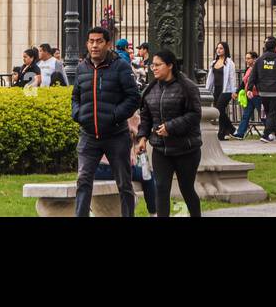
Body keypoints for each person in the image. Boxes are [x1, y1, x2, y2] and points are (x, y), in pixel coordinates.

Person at [71, 26, 140, 218]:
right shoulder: (81, 67)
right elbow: (75, 97)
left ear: (108, 44)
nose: (94, 45)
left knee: (124, 184)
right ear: (87, 44)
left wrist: (114, 115)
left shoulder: (121, 66)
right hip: (88, 136)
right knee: (83, 181)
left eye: (99, 41)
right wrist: (78, 114)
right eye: (91, 41)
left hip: (116, 135)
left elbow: (133, 97)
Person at [137, 48, 203, 218]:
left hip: (186, 149)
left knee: (187, 189)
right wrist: (142, 137)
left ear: (170, 66)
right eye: (153, 66)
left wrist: (170, 127)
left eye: (158, 65)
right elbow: (146, 117)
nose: (154, 69)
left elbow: (194, 115)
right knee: (161, 188)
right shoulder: (150, 89)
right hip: (161, 149)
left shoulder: (187, 87)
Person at [249, 37, 276, 140]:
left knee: (269, 113)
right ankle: (266, 135)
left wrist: (250, 89)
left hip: (263, 91)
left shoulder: (259, 60)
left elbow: (253, 76)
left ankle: (275, 133)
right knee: (272, 114)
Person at [205, 40, 237, 139]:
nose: (218, 50)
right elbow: (210, 78)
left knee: (219, 109)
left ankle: (226, 130)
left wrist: (233, 91)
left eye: (221, 48)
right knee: (219, 111)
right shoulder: (213, 62)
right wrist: (207, 90)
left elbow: (232, 77)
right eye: (217, 48)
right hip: (216, 90)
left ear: (225, 50)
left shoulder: (229, 62)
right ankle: (227, 130)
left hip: (226, 90)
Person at [233, 52, 261, 138]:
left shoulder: (258, 69)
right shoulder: (248, 69)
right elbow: (243, 83)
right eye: (246, 58)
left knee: (263, 115)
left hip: (257, 95)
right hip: (249, 95)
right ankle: (240, 133)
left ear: (254, 59)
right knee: (246, 115)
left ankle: (273, 131)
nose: (247, 60)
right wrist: (237, 92)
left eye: (249, 58)